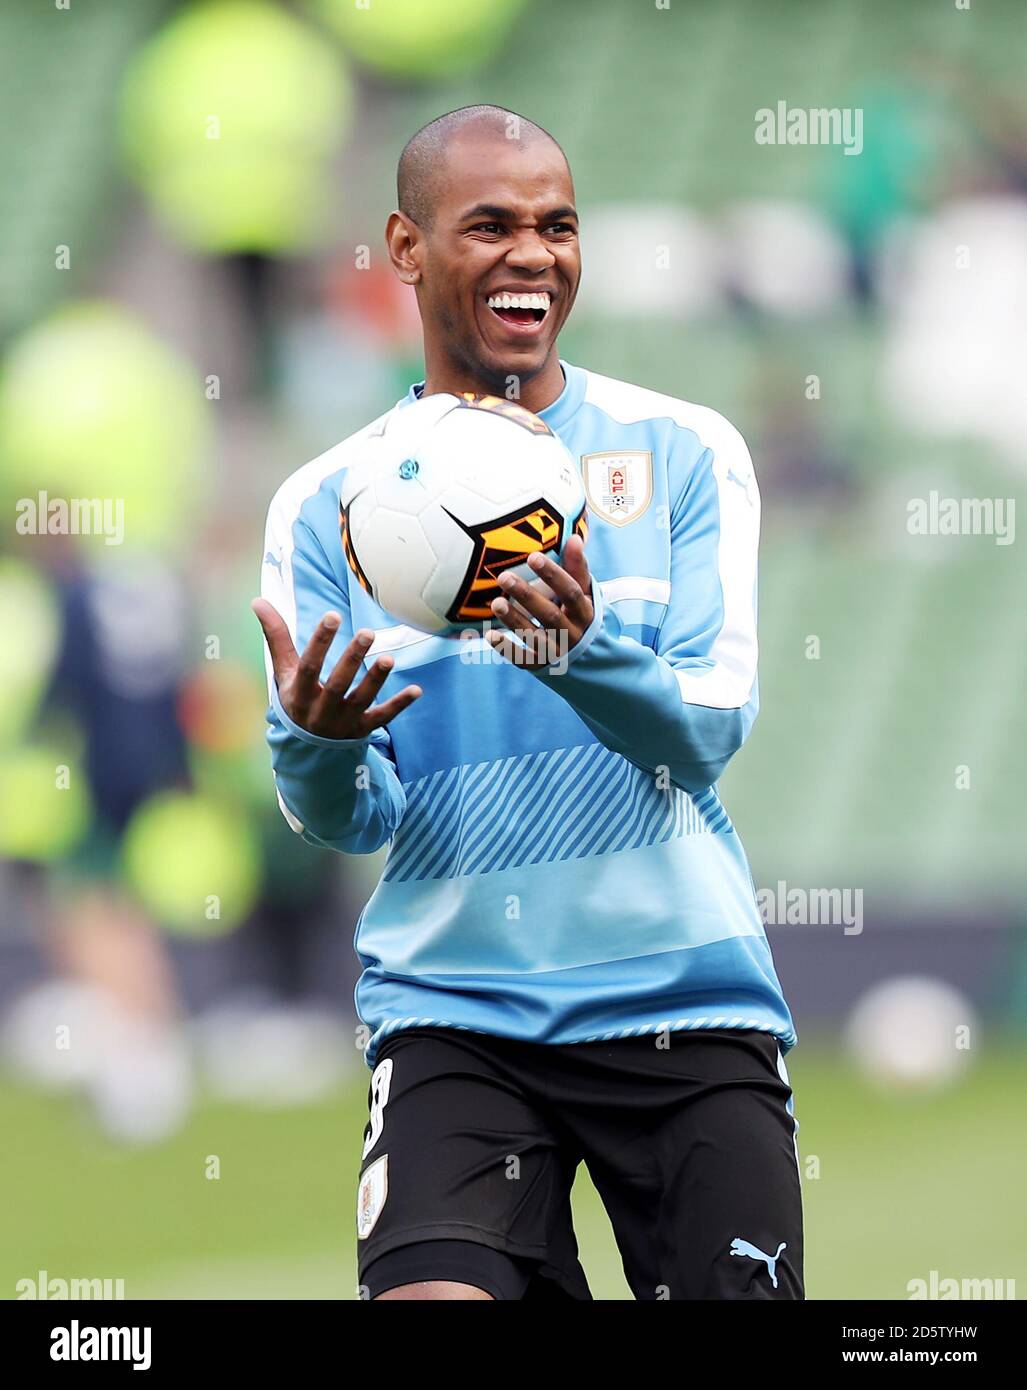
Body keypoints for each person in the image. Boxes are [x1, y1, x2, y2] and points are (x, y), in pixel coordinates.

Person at [253, 106, 801, 1301]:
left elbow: (706, 732)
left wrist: (580, 654)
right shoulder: (326, 504)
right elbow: (348, 818)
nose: (533, 254)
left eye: (556, 226)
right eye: (490, 224)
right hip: (456, 1010)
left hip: (681, 1007)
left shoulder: (685, 452)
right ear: (405, 246)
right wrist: (318, 744)